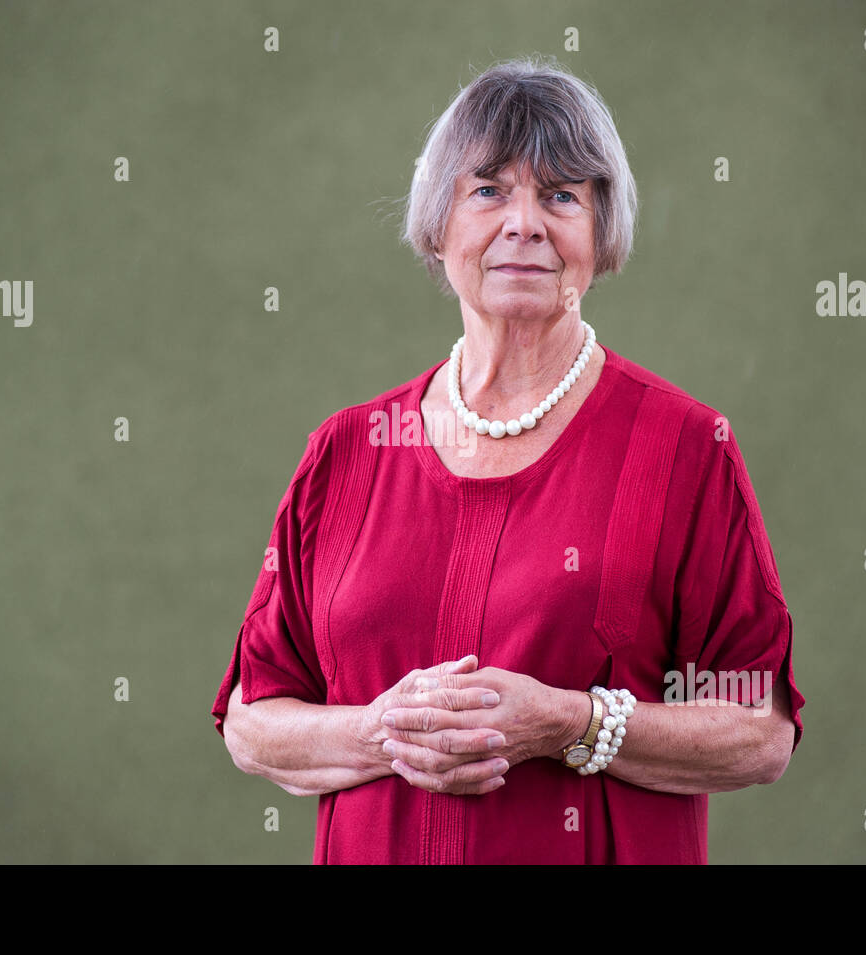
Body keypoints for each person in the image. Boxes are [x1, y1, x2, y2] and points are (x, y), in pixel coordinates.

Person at [212, 55, 804, 864]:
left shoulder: (683, 448)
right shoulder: (345, 452)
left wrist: (573, 722)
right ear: (440, 224)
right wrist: (384, 729)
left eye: (561, 195)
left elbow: (759, 730)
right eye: (488, 190)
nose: (523, 222)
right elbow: (253, 716)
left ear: (601, 231)